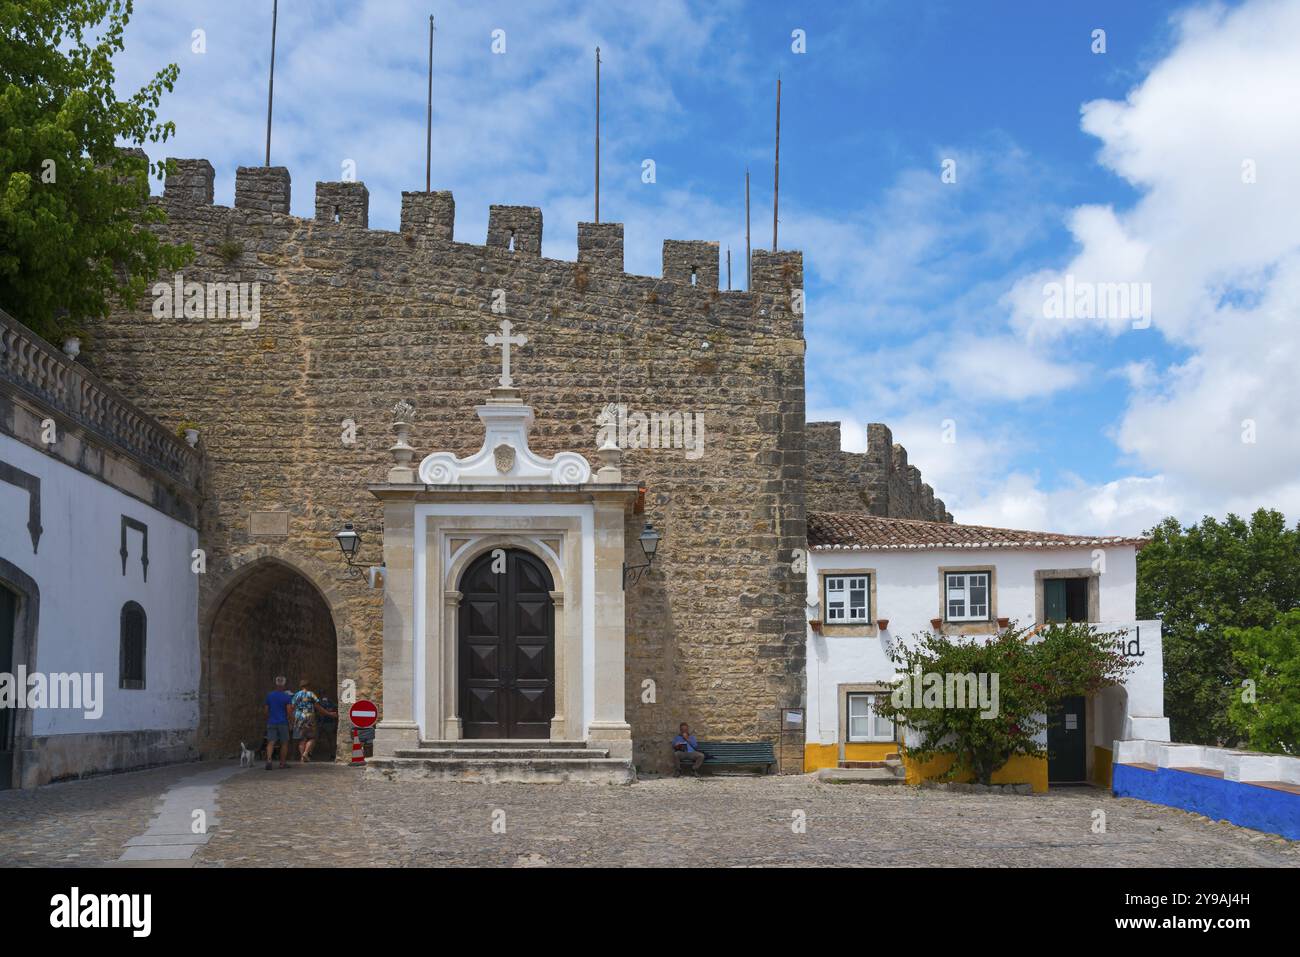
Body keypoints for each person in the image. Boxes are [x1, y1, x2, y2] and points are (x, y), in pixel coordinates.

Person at [291, 679, 338, 762]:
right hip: (309, 717)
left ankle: (302, 757)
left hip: (299, 717)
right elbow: (318, 707)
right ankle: (306, 753)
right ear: (308, 686)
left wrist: (292, 718)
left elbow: (292, 707)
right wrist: (329, 713)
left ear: (301, 686)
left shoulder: (296, 695)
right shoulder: (311, 694)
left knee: (302, 739)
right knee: (312, 737)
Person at [264, 676, 294, 770]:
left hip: (271, 722)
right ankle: (282, 763)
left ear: (276, 684)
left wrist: (269, 718)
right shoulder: (286, 697)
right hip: (282, 722)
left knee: (271, 742)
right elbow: (289, 711)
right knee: (284, 743)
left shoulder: (270, 695)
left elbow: (265, 710)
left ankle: (269, 760)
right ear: (284, 685)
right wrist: (291, 720)